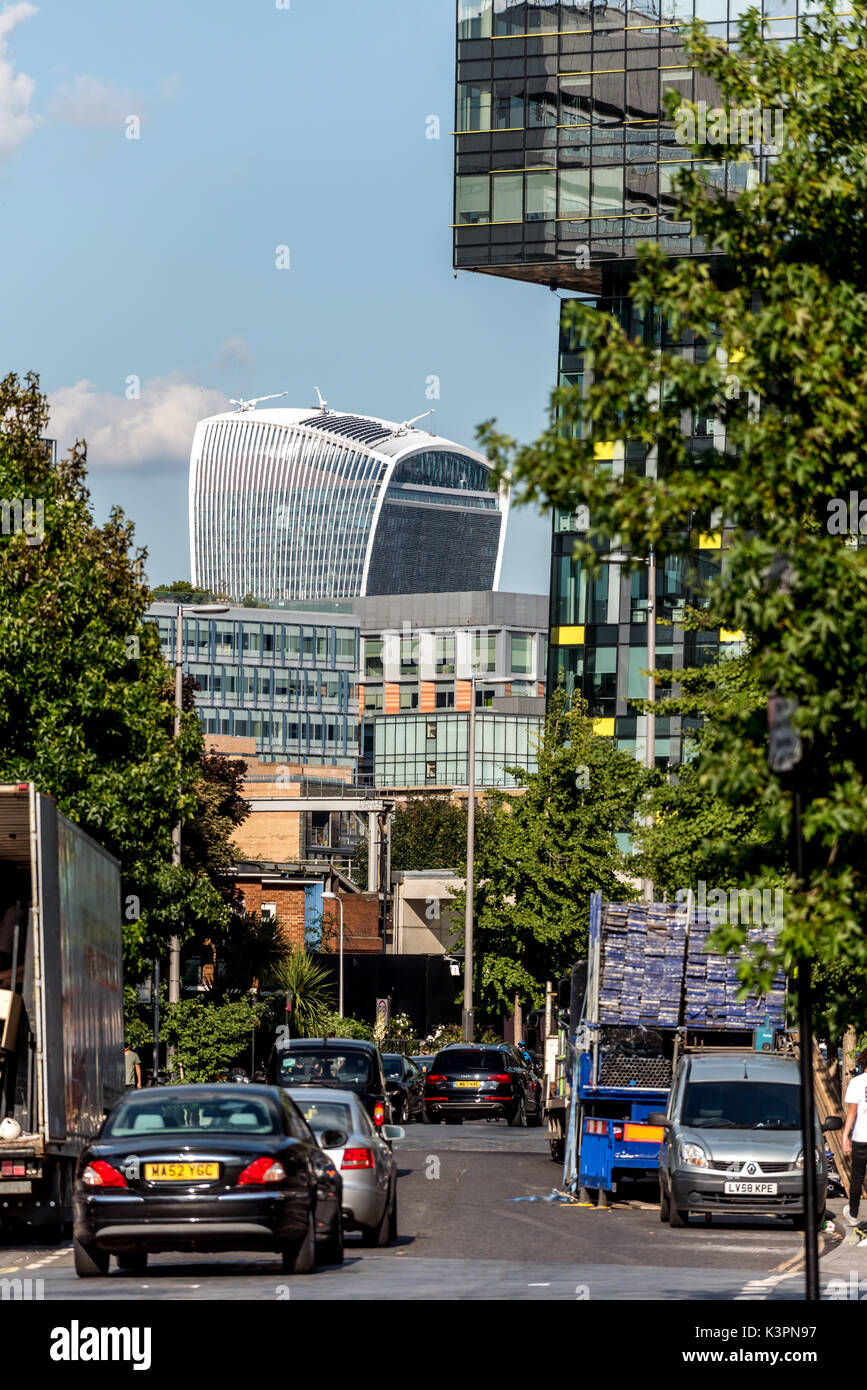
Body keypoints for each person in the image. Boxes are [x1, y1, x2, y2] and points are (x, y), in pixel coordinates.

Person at [843, 1049, 867, 1225]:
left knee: (857, 1175)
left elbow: (852, 1110)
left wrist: (846, 1134)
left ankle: (853, 1213)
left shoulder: (856, 1082)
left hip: (861, 1136)